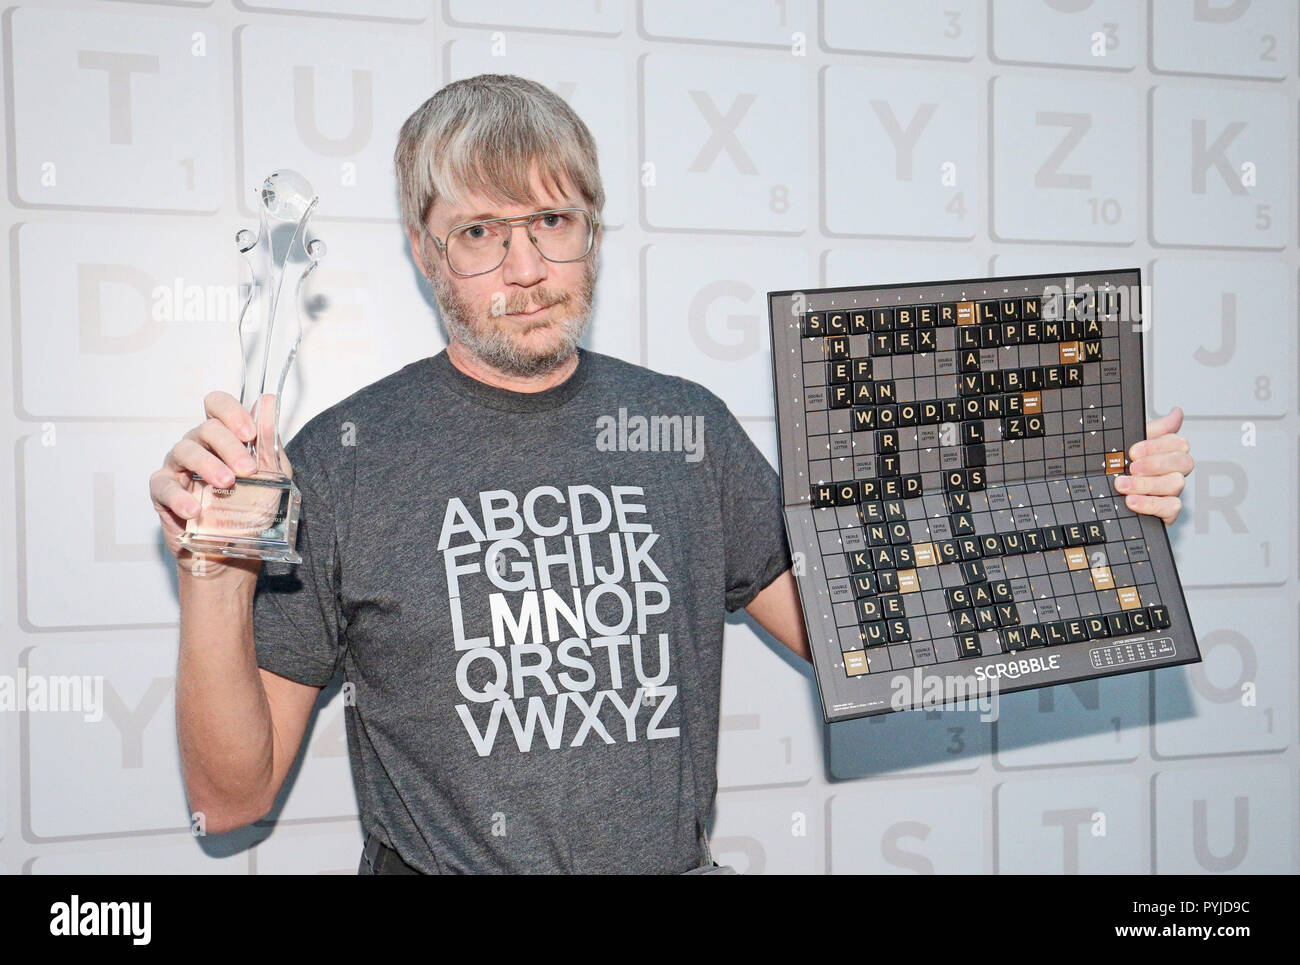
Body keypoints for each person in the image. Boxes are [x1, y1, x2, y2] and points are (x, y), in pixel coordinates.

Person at [148, 74, 1195, 874]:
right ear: (427, 254)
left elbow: (883, 641)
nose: (524, 270)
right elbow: (227, 802)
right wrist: (213, 577)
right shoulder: (339, 461)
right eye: (479, 232)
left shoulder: (683, 430)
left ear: (592, 235)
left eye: (551, 223)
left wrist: (1088, 504)